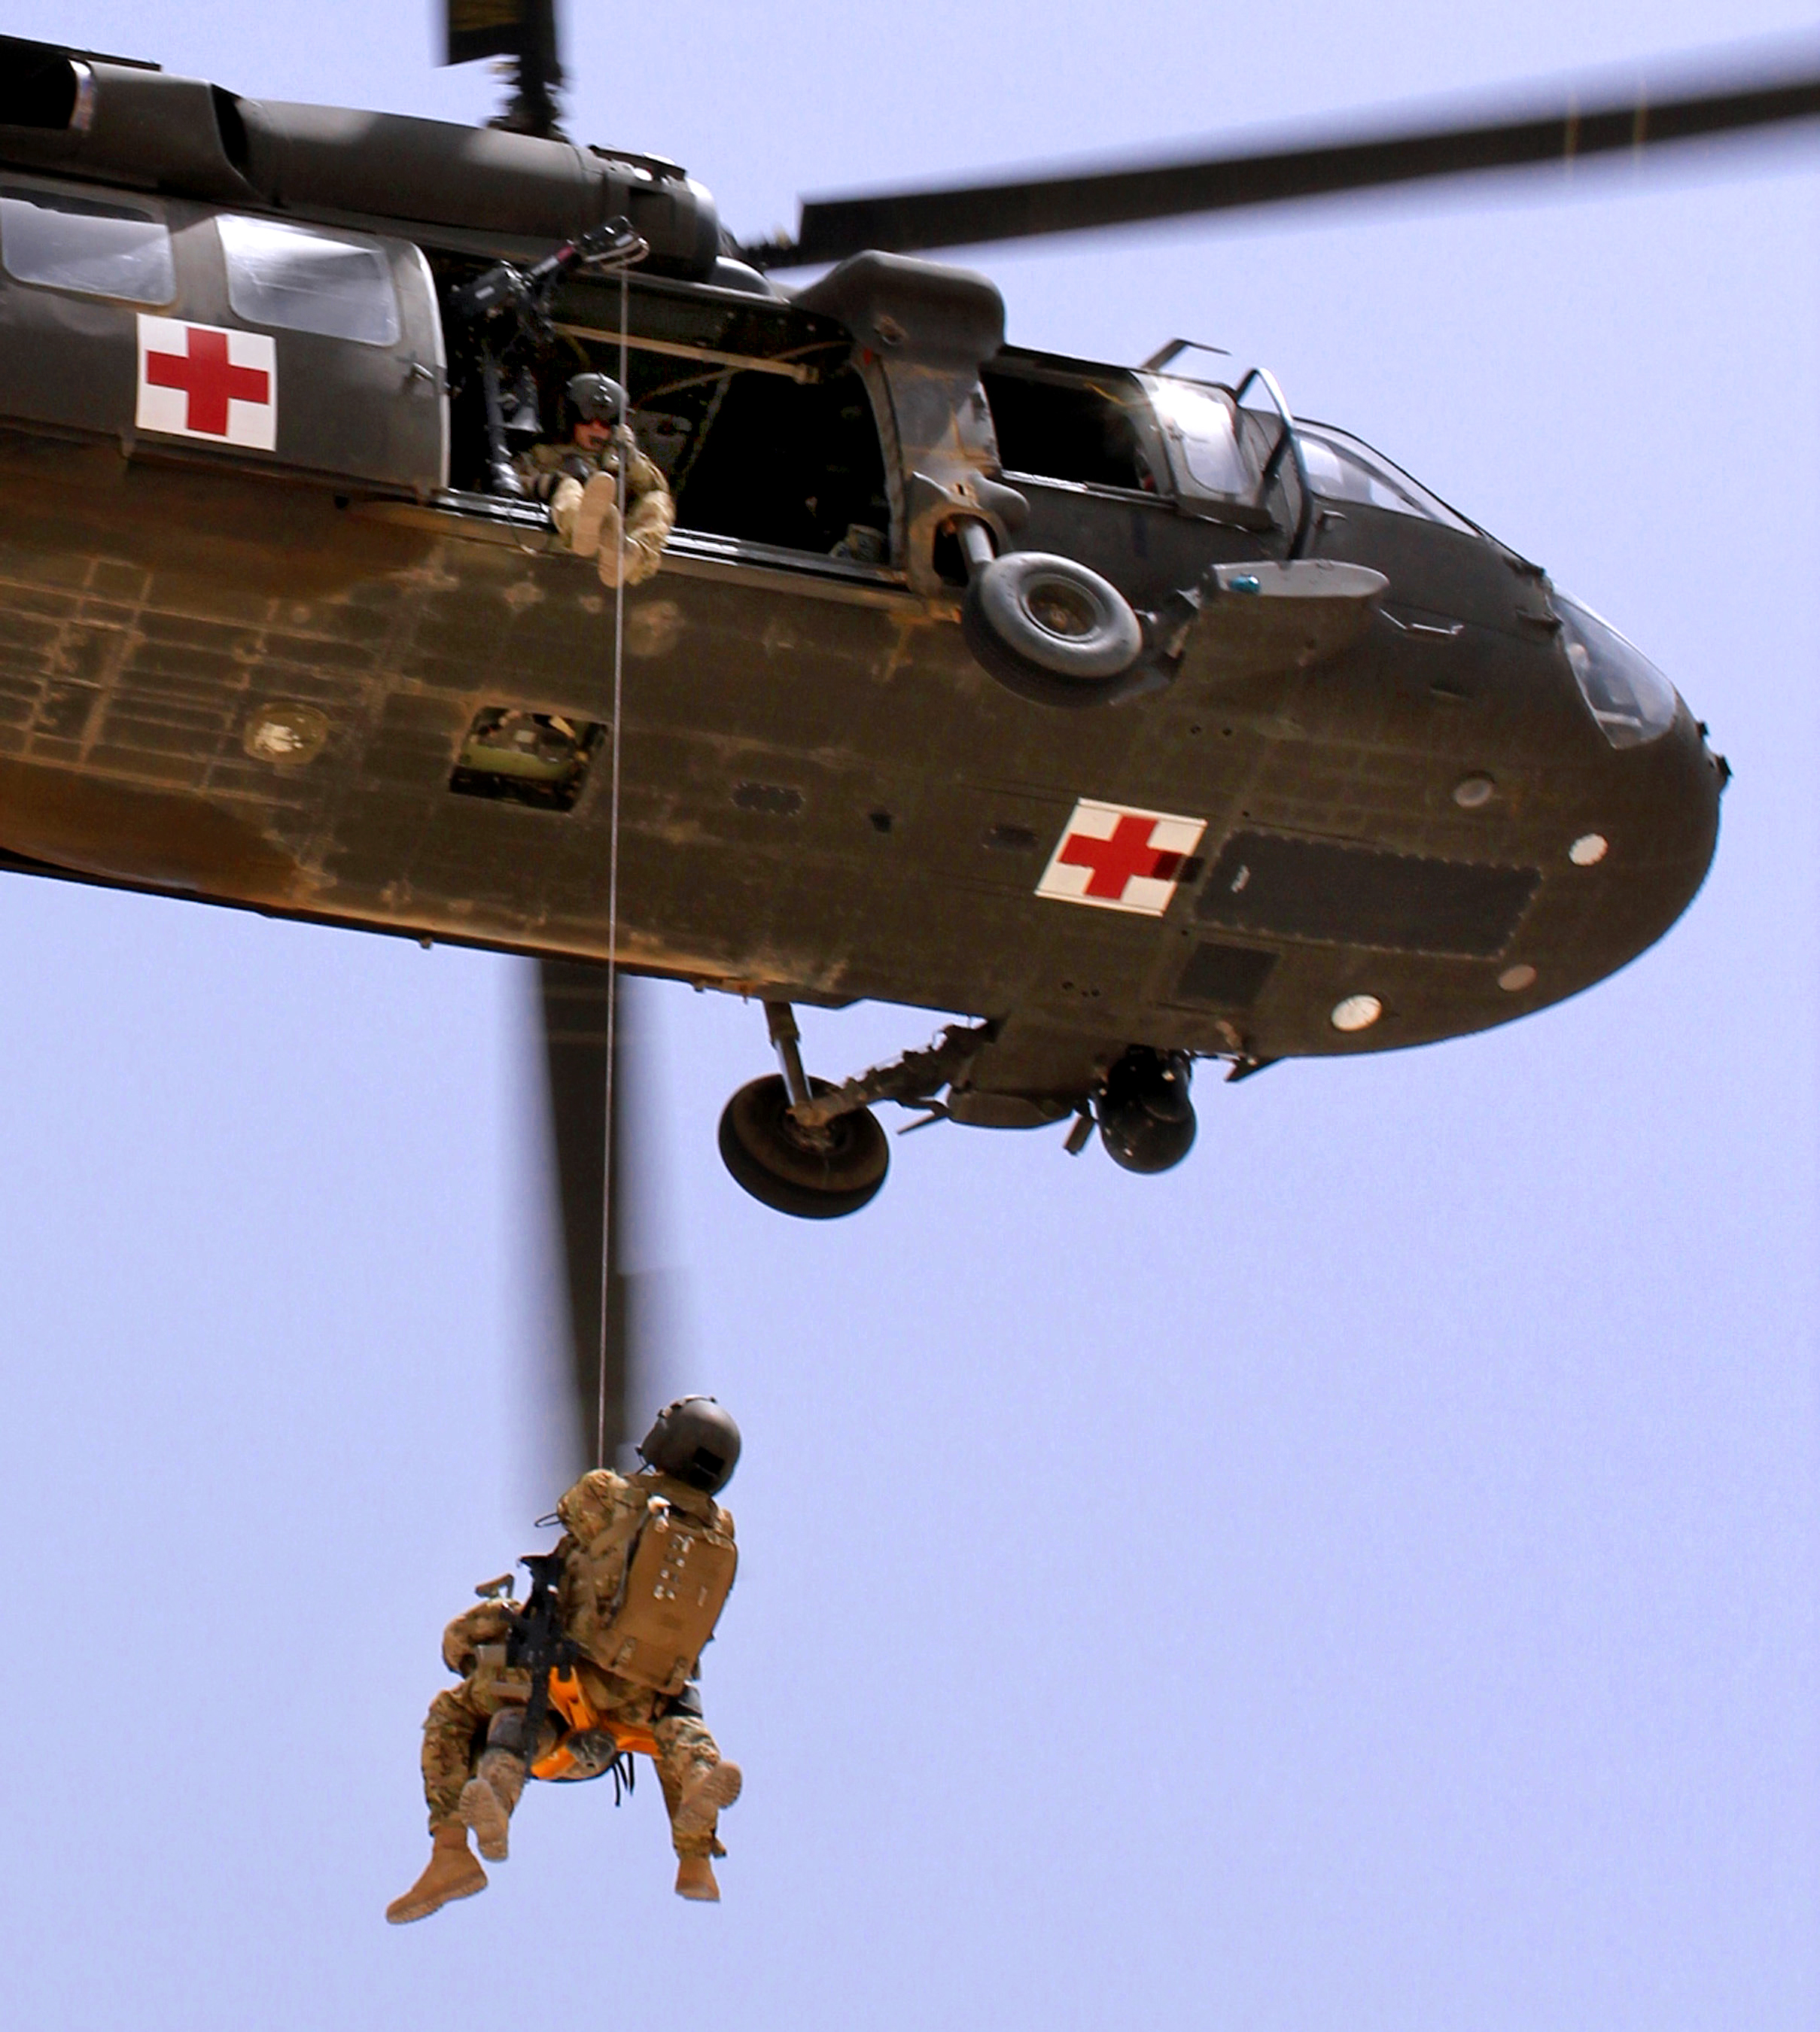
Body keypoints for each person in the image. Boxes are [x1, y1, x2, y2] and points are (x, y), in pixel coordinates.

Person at [385, 1398, 744, 1923]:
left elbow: (570, 1510)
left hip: (576, 1672)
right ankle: (696, 1855)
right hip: (650, 1695)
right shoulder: (721, 1529)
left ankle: (456, 1848)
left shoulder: (609, 1492)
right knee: (683, 1732)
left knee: (468, 1712)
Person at [517, 371, 675, 588]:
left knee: (658, 500)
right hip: (563, 542)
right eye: (587, 420)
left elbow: (657, 490)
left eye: (606, 423)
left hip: (617, 540)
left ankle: (631, 555)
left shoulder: (622, 460)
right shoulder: (545, 455)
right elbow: (515, 481)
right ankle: (580, 527)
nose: (596, 429)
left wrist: (632, 460)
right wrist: (551, 484)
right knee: (568, 486)